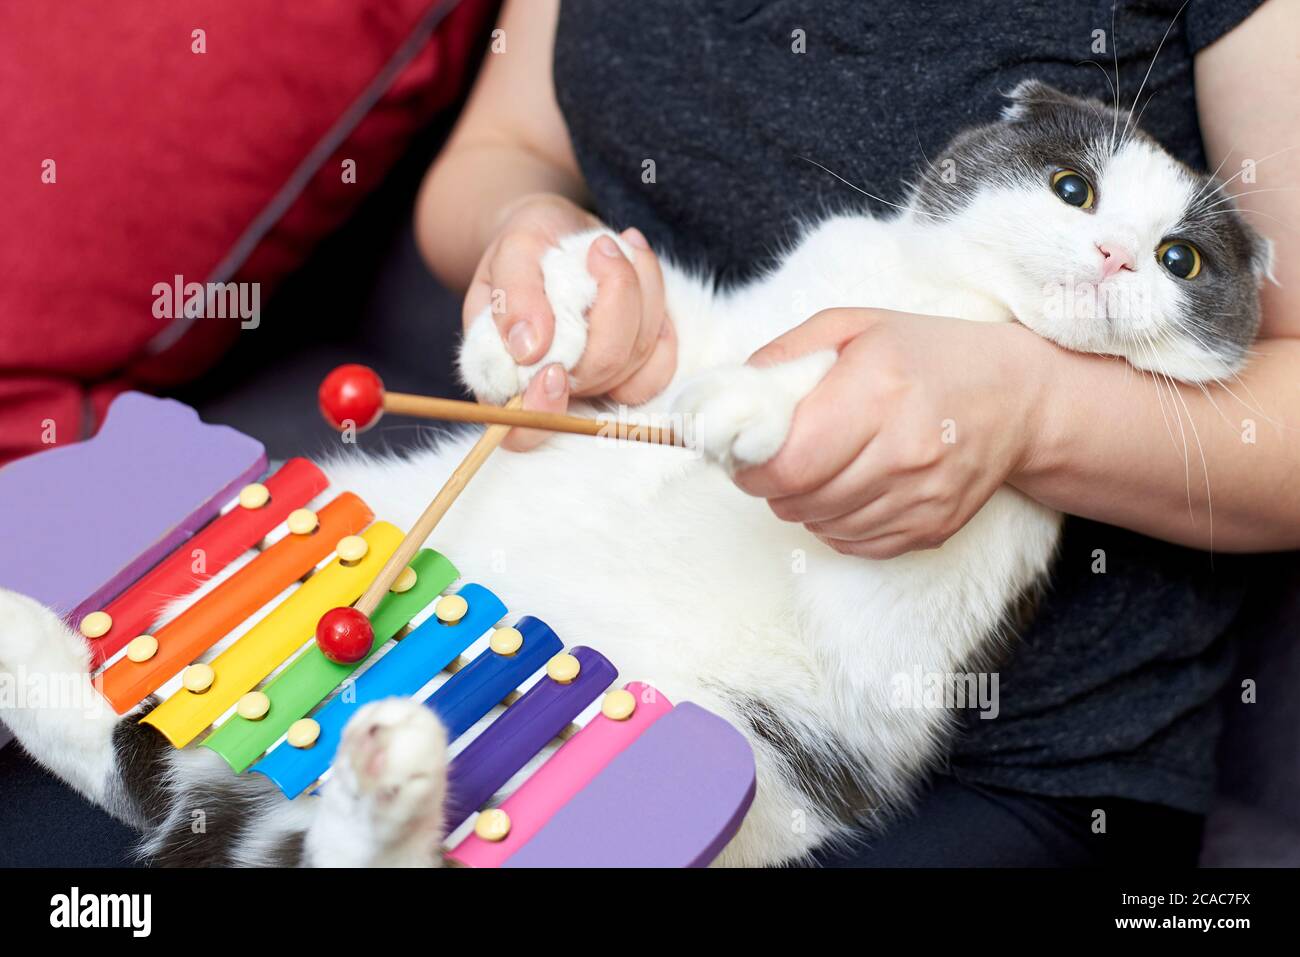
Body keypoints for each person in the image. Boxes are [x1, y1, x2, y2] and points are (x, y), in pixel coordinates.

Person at [416, 0, 1298, 865]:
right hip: (589, 566)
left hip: (1000, 765)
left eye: (1173, 259)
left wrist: (1032, 411)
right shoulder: (856, 251)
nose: (1112, 255)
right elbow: (507, 150)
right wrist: (543, 248)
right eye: (1074, 192)